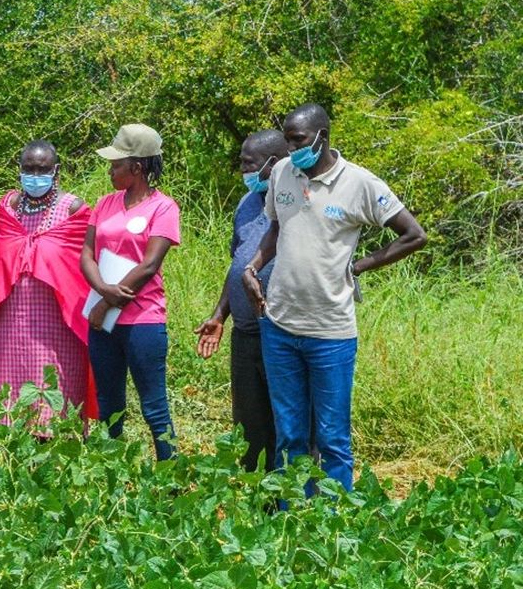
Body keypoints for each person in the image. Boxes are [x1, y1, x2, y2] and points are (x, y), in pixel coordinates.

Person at [244, 103, 426, 494]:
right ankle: (291, 517)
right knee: (289, 435)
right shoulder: (281, 173)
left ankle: (333, 523)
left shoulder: (360, 184)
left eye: (299, 141)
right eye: (288, 140)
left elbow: (414, 234)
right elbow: (276, 229)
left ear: (322, 137)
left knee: (332, 439)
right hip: (279, 326)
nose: (293, 149)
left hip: (330, 333)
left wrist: (358, 267)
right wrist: (253, 266)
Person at [81, 123, 181, 460]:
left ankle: (172, 477)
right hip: (102, 322)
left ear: (136, 168)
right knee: (110, 404)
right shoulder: (105, 203)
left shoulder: (163, 208)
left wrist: (105, 303)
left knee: (154, 405)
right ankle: (113, 469)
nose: (110, 171)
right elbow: (87, 255)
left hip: (143, 321)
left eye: (116, 165)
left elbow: (149, 265)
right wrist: (102, 292)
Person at [0, 140, 93, 429]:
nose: (34, 175)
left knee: (56, 396)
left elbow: (82, 270)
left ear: (56, 170)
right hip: (12, 320)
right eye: (27, 169)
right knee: (11, 401)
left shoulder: (74, 210)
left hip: (58, 322)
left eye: (41, 169)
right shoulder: (9, 207)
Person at [194, 129, 290, 470]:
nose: (243, 171)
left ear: (274, 164)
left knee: (287, 422)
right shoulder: (247, 203)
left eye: (249, 164)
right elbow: (238, 264)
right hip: (246, 333)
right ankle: (258, 502)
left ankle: (291, 503)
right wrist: (220, 315)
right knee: (250, 423)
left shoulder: (298, 200)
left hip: (283, 332)